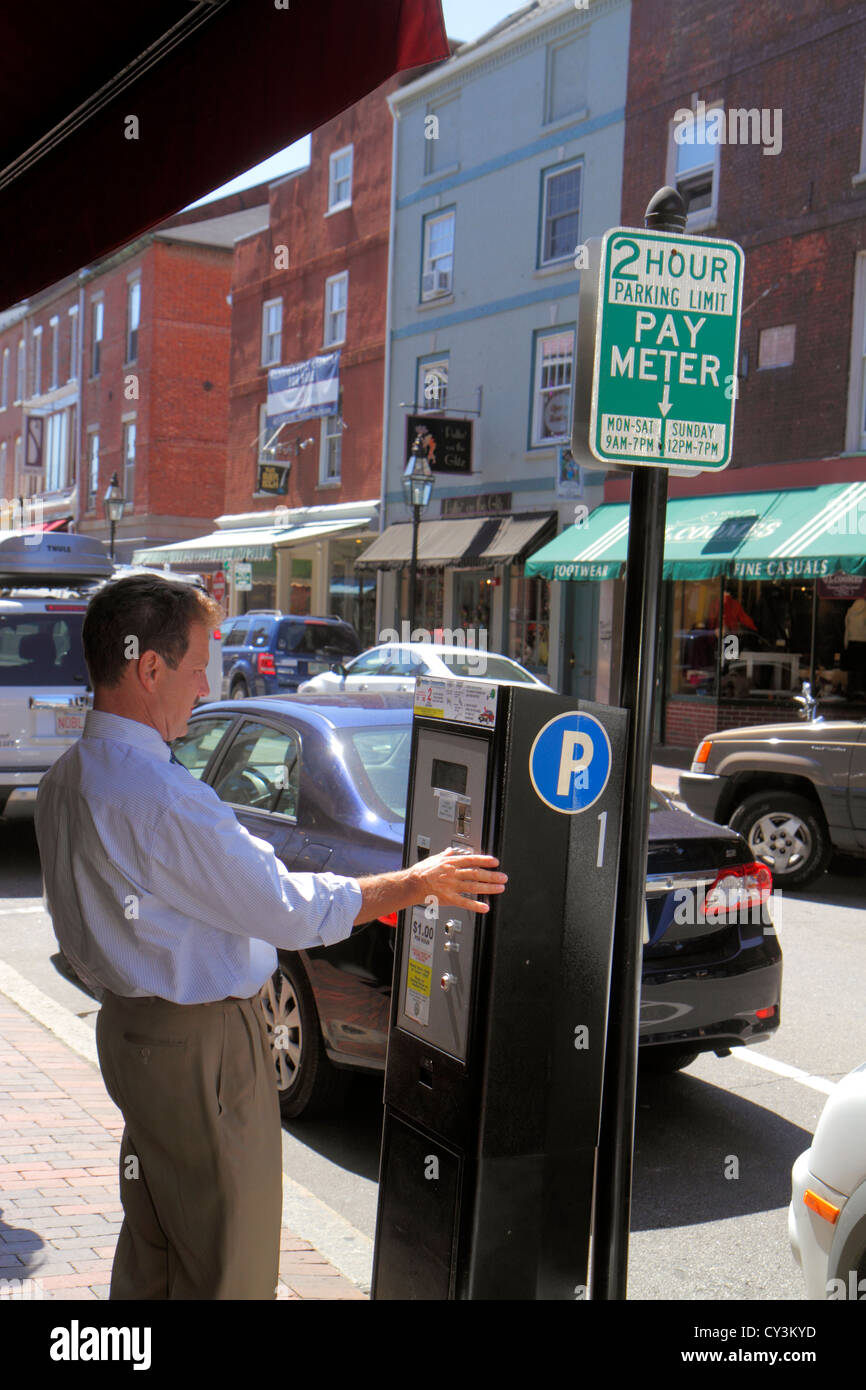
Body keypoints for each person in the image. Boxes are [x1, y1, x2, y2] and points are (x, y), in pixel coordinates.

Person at [34, 574, 507, 1300]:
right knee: (230, 1263)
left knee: (156, 1245)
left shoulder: (67, 778)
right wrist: (416, 882)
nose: (206, 687)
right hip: (201, 1045)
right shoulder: (159, 797)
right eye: (198, 667)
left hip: (131, 1031)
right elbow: (286, 909)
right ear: (149, 667)